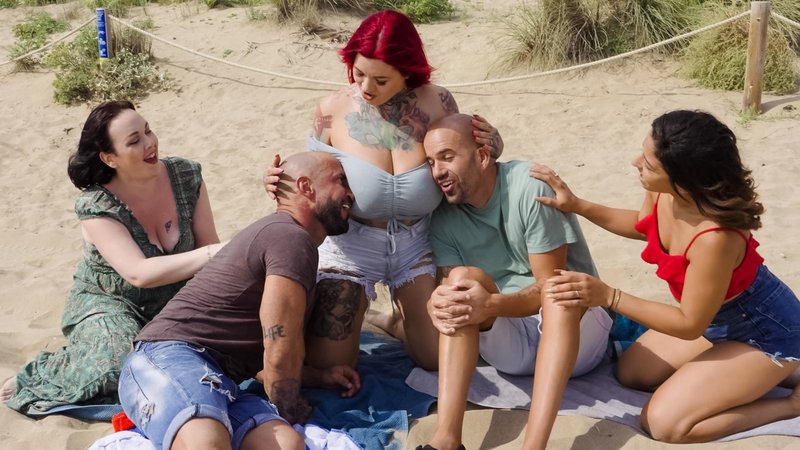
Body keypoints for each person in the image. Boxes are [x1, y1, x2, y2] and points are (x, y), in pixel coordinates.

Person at [534, 110, 800, 443]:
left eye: (648, 164)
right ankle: (768, 373)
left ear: (684, 179)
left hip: (765, 334)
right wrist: (577, 205)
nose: (635, 163)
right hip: (715, 322)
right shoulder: (665, 192)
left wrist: (609, 296)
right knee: (631, 373)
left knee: (663, 424)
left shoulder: (715, 238)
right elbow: (644, 226)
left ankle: (790, 401)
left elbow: (689, 324)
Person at [264, 9, 503, 371]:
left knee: (435, 359)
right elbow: (309, 175)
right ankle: (375, 315)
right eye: (358, 73)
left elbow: (466, 160)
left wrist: (494, 145)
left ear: (407, 71)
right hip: (352, 247)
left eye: (380, 79)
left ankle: (394, 320)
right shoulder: (331, 109)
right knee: (331, 364)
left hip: (416, 243)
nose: (365, 87)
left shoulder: (439, 102)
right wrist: (276, 180)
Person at [118, 152, 360, 450]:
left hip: (220, 380)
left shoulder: (289, 238)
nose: (350, 194)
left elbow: (258, 352)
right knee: (206, 442)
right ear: (306, 187)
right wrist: (289, 408)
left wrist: (318, 377)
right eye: (340, 181)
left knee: (287, 445)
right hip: (167, 356)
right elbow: (279, 343)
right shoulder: (290, 237)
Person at [1, 101, 223, 414]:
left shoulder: (186, 176)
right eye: (134, 141)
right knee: (121, 360)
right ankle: (41, 375)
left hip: (176, 300)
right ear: (109, 158)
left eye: (148, 131)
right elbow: (138, 272)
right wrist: (212, 254)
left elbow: (209, 251)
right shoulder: (97, 204)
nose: (150, 143)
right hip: (110, 301)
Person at [418, 114, 612, 450]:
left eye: (447, 157)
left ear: (482, 156)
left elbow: (548, 286)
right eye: (431, 162)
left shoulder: (529, 186)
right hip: (510, 346)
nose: (437, 172)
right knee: (458, 285)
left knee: (559, 292)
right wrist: (436, 302)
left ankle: (533, 446)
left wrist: (492, 304)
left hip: (579, 340)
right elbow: (452, 298)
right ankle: (446, 441)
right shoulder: (442, 218)